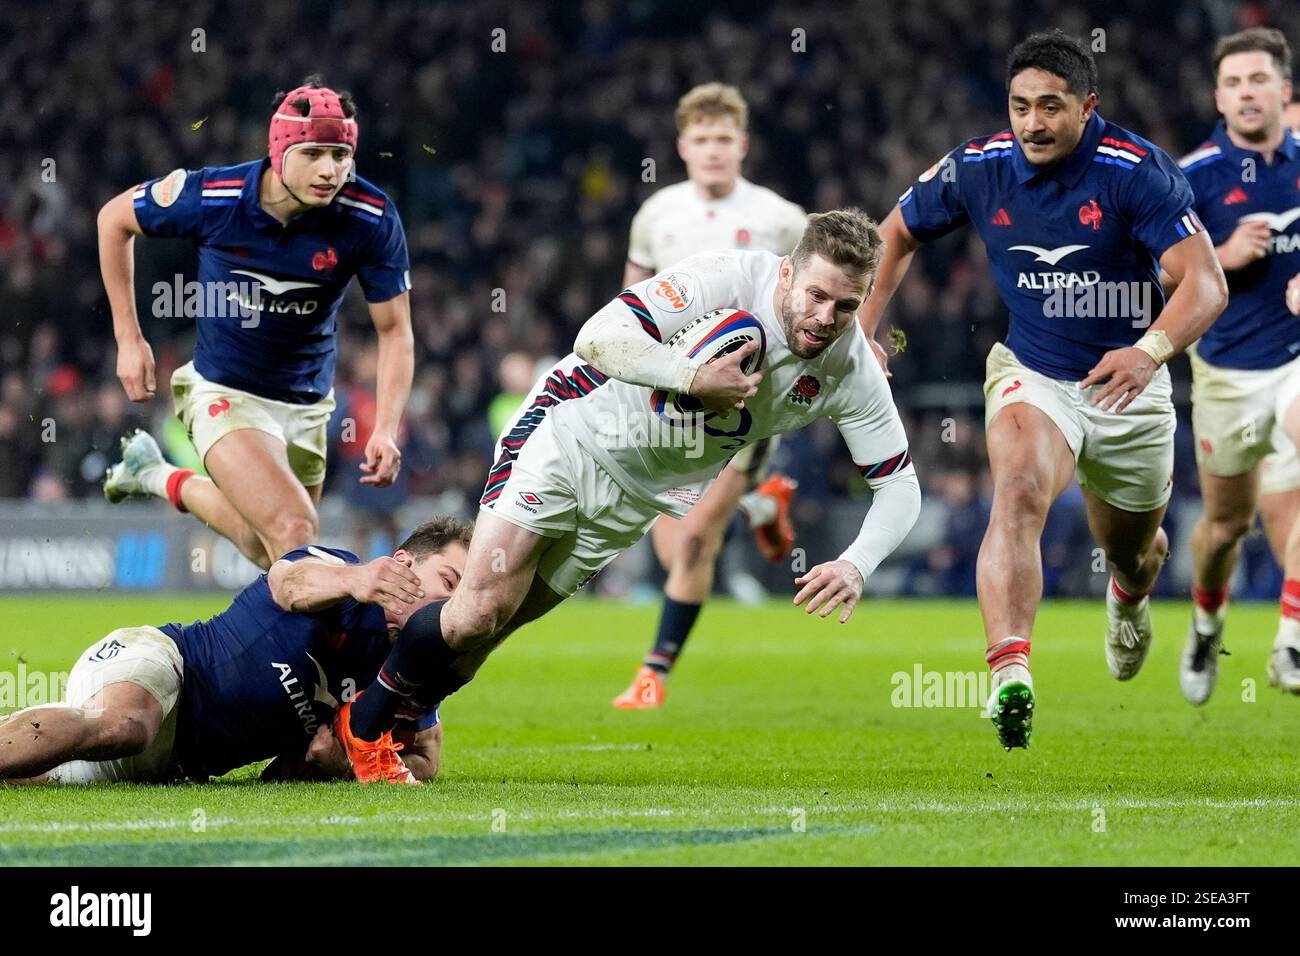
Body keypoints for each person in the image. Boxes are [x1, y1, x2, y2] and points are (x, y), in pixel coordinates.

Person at [333, 209, 922, 782]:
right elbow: (598, 337)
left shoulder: (849, 369)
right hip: (569, 430)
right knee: (477, 612)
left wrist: (855, 563)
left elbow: (899, 484)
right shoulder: (724, 278)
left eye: (848, 305)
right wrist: (690, 376)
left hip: (637, 497)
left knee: (487, 636)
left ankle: (388, 722)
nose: (826, 316)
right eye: (817, 295)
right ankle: (360, 725)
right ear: (787, 273)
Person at [859, 30, 1228, 750]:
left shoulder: (1135, 171)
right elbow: (894, 234)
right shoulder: (979, 166)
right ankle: (1011, 674)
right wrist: (865, 329)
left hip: (1130, 383)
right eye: (1020, 106)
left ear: (1087, 106)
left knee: (1130, 549)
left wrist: (1149, 350)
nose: (1033, 122)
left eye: (1051, 107)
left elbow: (1206, 283)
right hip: (1033, 373)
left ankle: (1128, 595)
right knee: (1020, 489)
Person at [97, 76, 413, 570]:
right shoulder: (212, 196)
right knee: (294, 531)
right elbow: (113, 220)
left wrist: (388, 428)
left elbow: (394, 331)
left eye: (339, 154)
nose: (328, 170)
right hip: (225, 390)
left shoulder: (368, 216)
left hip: (307, 403)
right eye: (312, 153)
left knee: (268, 550)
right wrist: (128, 338)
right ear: (279, 148)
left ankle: (157, 475)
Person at [0, 518, 470, 785]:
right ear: (404, 562)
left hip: (176, 765)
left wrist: (342, 763)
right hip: (165, 660)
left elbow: (426, 756)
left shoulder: (410, 668)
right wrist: (357, 579)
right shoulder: (342, 574)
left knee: (42, 777)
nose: (449, 604)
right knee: (126, 725)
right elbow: (286, 582)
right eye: (447, 581)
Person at [614, 82, 809, 709]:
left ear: (743, 145)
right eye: (702, 140)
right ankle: (761, 508)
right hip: (671, 392)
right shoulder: (657, 215)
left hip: (751, 396)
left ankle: (653, 672)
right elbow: (632, 302)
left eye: (724, 139)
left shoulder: (780, 219)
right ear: (682, 147)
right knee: (672, 534)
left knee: (696, 538)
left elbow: (818, 300)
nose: (713, 151)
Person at [1177, 28, 1300, 702]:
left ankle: (1292, 641)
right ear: (1218, 98)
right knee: (1225, 526)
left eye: (1259, 80)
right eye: (1233, 83)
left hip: (1295, 362)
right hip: (1226, 373)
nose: (1247, 93)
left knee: (1292, 509)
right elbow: (1155, 278)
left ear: (1284, 90)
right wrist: (1221, 257)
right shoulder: (1190, 178)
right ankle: (1205, 621)